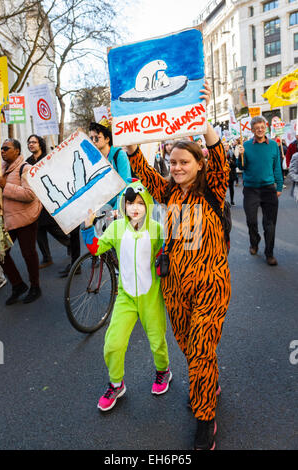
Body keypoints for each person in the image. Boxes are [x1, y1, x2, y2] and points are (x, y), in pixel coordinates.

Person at [120, 82, 231, 450]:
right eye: (173, 163)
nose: (178, 167)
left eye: (185, 162)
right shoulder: (168, 192)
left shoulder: (211, 189)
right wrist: (132, 141)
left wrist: (203, 121)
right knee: (189, 346)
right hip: (175, 288)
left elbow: (219, 158)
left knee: (201, 349)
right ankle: (206, 382)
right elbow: (144, 175)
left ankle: (205, 418)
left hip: (210, 286)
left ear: (199, 165)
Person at [81, 180, 171, 412]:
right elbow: (95, 248)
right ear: (123, 204)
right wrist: (88, 227)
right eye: (130, 202)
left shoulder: (157, 229)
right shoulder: (116, 228)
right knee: (113, 342)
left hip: (151, 296)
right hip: (126, 297)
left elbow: (169, 254)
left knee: (157, 340)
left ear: (148, 204)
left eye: (140, 203)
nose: (135, 208)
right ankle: (116, 384)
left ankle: (163, 371)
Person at [0, 139, 42, 304]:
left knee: (28, 254)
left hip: (25, 220)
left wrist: (5, 186)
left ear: (16, 151)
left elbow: (30, 195)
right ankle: (18, 285)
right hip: (7, 220)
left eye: (6, 148)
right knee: (1, 253)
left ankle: (35, 287)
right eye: (1, 148)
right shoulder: (2, 170)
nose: (2, 151)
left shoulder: (26, 168)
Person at [238, 116, 283, 266]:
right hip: (251, 190)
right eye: (257, 128)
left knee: (270, 223)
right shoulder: (246, 145)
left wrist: (279, 185)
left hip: (269, 189)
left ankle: (269, 253)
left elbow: (277, 167)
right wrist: (240, 155)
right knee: (251, 221)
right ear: (252, 130)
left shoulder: (274, 146)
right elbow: (242, 166)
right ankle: (254, 241)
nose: (260, 130)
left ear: (266, 128)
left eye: (262, 127)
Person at [26, 135, 71, 269]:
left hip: (49, 199)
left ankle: (70, 244)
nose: (31, 144)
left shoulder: (48, 159)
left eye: (34, 142)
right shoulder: (27, 162)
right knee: (38, 230)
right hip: (34, 202)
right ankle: (46, 257)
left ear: (40, 144)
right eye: (29, 143)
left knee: (53, 227)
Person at [223, 141, 237, 205]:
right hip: (223, 174)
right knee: (223, 188)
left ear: (229, 146)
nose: (226, 146)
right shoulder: (221, 154)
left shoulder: (231, 154)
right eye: (224, 145)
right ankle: (223, 201)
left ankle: (232, 200)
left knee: (231, 187)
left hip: (231, 173)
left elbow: (235, 164)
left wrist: (231, 162)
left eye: (227, 145)